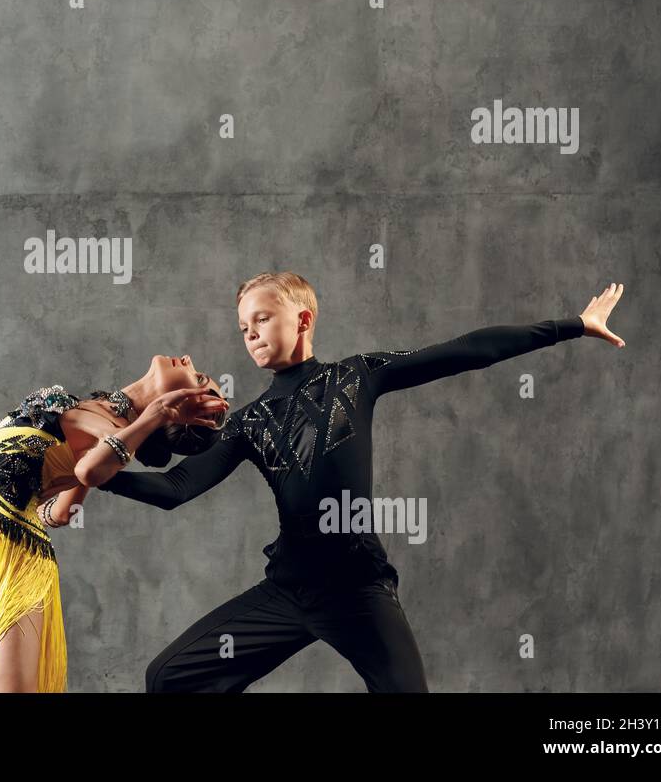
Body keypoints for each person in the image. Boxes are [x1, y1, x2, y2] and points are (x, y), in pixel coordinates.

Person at [92, 271, 626, 692]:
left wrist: (571, 325)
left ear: (302, 320)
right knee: (169, 678)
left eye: (261, 318)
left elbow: (465, 350)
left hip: (356, 588)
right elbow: (174, 489)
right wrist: (88, 471)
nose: (250, 333)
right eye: (243, 327)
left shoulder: (355, 376)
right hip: (288, 590)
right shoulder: (248, 422)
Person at [0, 355, 230, 692]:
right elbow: (64, 511)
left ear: (178, 408)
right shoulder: (100, 411)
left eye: (197, 378)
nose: (187, 360)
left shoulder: (117, 437)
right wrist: (40, 510)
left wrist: (154, 416)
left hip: (14, 563)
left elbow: (88, 472)